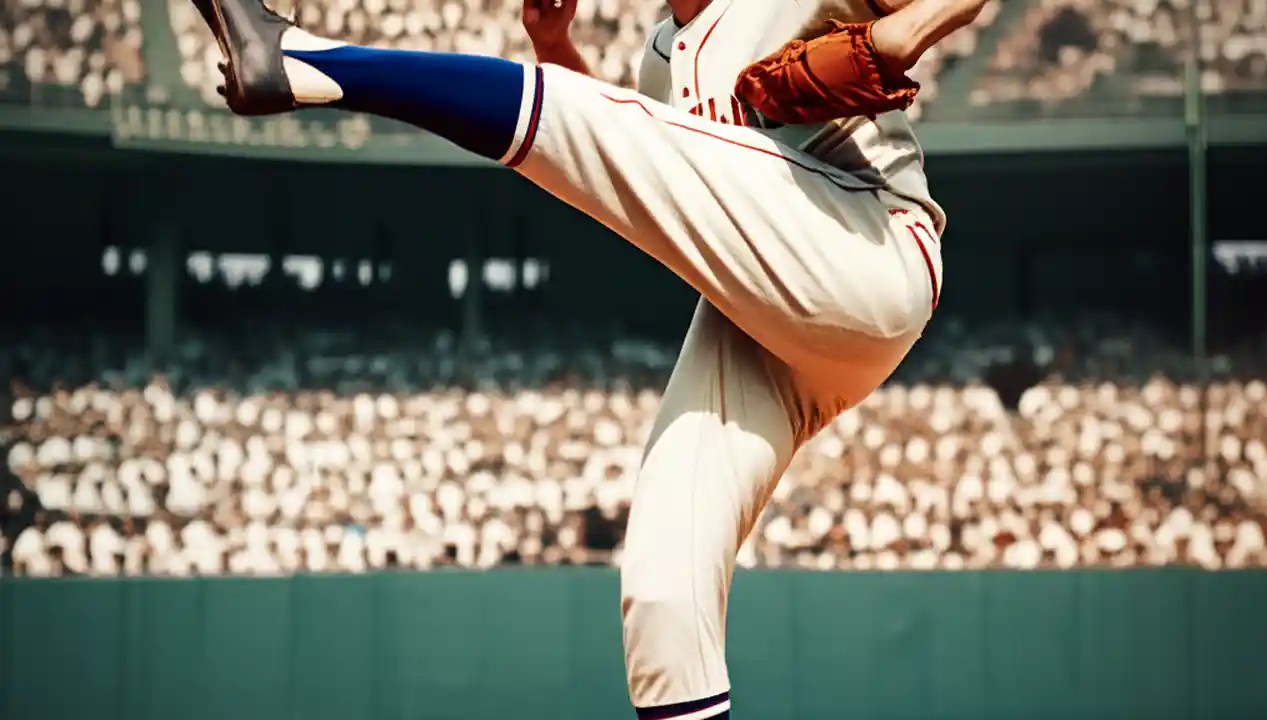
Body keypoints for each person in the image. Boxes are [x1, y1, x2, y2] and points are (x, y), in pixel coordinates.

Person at [187, 0, 988, 717]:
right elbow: (622, 167)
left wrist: (904, 34)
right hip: (772, 325)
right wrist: (556, 49)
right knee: (663, 589)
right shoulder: (662, 56)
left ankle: (303, 61)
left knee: (602, 123)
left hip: (872, 252)